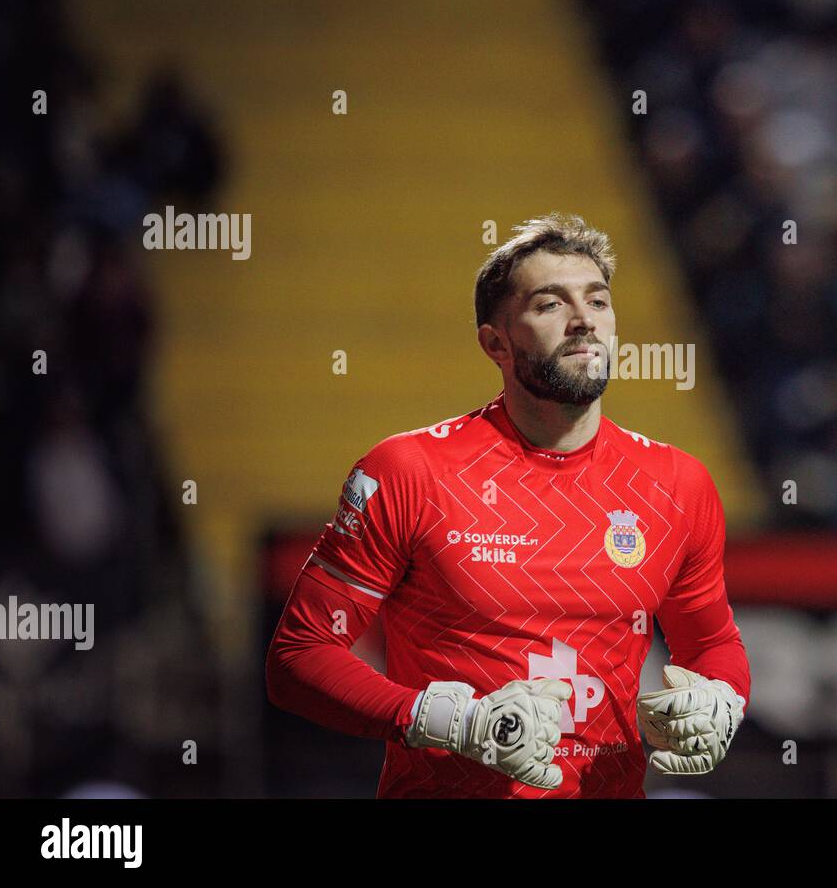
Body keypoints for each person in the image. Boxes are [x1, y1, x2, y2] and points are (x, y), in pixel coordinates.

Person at [266, 213, 750, 797]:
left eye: (597, 301)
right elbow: (299, 656)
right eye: (550, 304)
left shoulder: (678, 483)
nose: (583, 321)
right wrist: (451, 722)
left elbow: (711, 644)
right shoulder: (409, 471)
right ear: (496, 343)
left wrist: (720, 699)